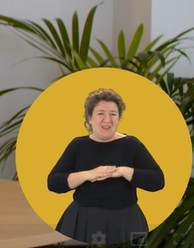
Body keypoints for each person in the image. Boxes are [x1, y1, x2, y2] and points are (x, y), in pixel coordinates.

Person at [47, 88, 165, 246]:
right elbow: (53, 183)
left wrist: (123, 171)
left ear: (119, 118)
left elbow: (157, 181)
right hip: (82, 221)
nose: (107, 120)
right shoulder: (77, 145)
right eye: (101, 113)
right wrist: (88, 175)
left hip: (126, 221)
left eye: (113, 114)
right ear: (89, 118)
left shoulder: (132, 145)